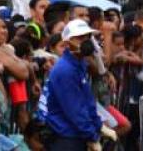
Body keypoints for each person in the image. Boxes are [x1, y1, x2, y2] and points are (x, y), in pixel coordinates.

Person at [37, 19, 102, 151]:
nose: (85, 42)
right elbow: (75, 109)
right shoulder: (65, 70)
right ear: (68, 43)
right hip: (66, 137)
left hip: (76, 134)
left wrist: (98, 126)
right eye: (80, 38)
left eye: (87, 37)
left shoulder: (80, 64)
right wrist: (91, 136)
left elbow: (87, 101)